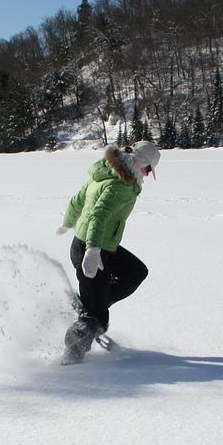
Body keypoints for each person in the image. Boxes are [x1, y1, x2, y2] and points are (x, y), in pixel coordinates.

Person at [56, 140, 161, 363]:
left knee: (135, 272)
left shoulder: (106, 172)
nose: (147, 174)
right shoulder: (120, 185)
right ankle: (70, 359)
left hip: (97, 245)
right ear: (141, 162)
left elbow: (78, 200)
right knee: (97, 320)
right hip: (93, 250)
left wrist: (68, 223)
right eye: (148, 169)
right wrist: (92, 250)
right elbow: (99, 216)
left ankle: (93, 302)